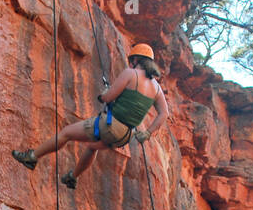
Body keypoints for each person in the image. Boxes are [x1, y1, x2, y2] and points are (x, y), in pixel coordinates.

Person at [13, 43, 169, 188]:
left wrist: (103, 95)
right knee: (92, 147)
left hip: (109, 126)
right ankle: (73, 177)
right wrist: (148, 133)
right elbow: (164, 113)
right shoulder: (157, 88)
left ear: (136, 60)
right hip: (125, 136)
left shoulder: (131, 73)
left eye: (131, 60)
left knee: (66, 133)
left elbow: (107, 98)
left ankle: (32, 157)